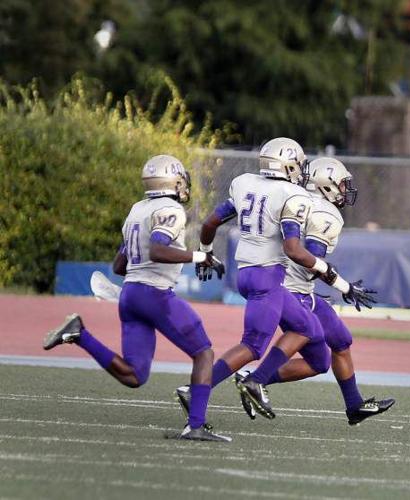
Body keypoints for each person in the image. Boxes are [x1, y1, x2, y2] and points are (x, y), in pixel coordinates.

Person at [176, 138, 374, 419]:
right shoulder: (295, 196)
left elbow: (209, 223)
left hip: (247, 272)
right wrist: (341, 283)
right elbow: (295, 251)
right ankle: (203, 388)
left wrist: (205, 252)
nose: (302, 171)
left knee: (309, 331)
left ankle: (258, 381)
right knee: (252, 346)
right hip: (268, 277)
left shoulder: (246, 182)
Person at [43, 155, 230, 442]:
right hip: (154, 294)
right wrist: (201, 256)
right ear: (174, 182)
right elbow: (157, 251)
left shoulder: (137, 210)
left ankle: (79, 334)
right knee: (204, 352)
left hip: (130, 295)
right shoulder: (170, 209)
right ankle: (196, 425)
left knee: (134, 375)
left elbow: (119, 266)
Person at [238, 157, 392, 425]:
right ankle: (256, 379)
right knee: (316, 353)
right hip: (294, 291)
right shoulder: (326, 214)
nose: (346, 190)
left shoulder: (294, 197)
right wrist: (342, 284)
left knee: (341, 342)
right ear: (327, 185)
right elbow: (311, 261)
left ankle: (354, 405)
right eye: (342, 184)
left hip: (296, 288)